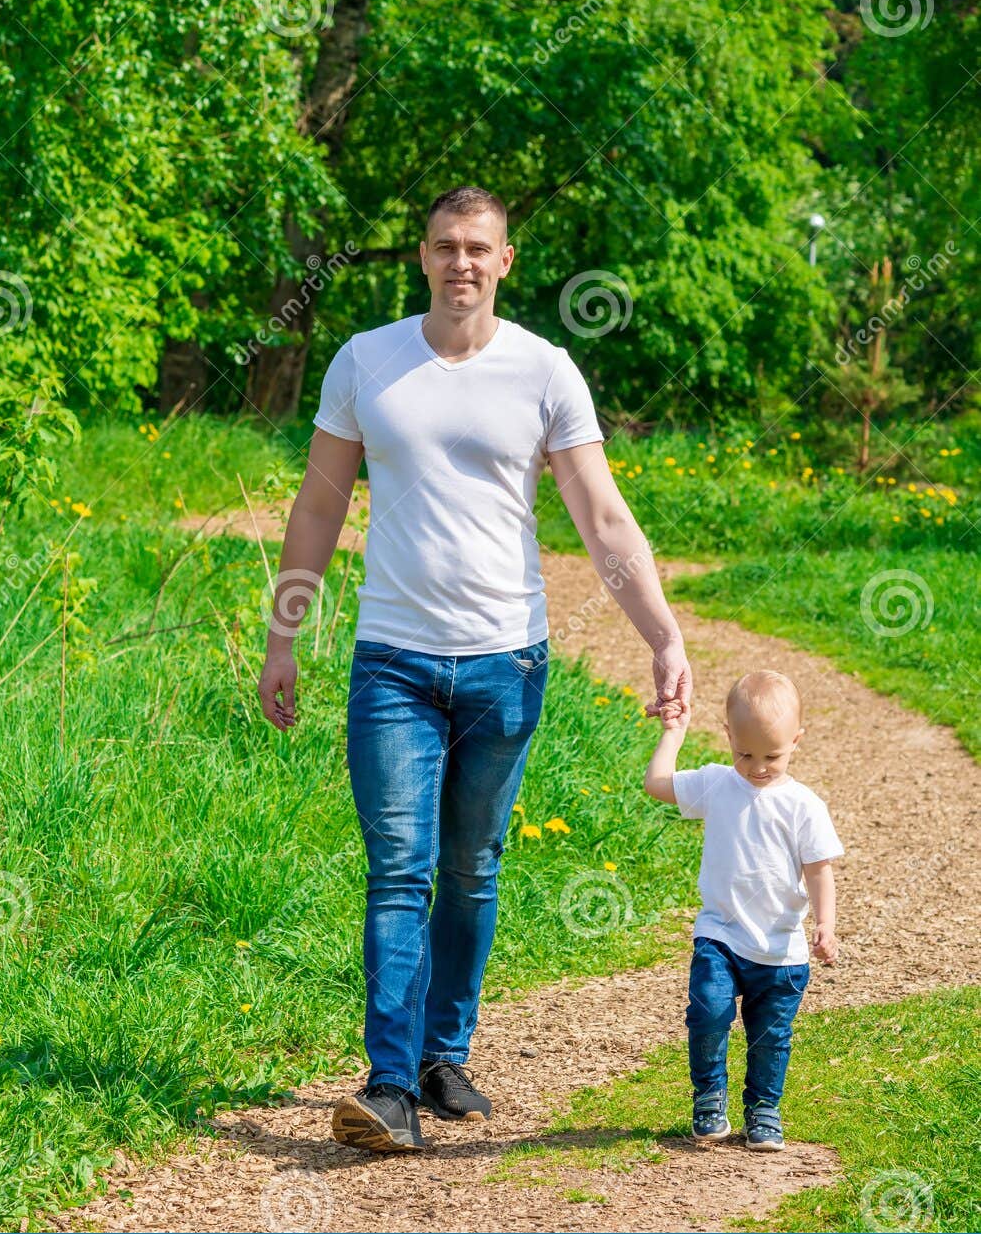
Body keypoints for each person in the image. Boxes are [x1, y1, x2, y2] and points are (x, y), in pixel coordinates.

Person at [259, 184, 693, 1154]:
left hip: (507, 663)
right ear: (421, 256)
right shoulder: (366, 362)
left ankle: (442, 1053)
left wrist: (661, 635)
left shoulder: (545, 371)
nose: (461, 261)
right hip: (392, 666)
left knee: (472, 868)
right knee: (400, 869)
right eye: (445, 245)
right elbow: (318, 505)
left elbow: (603, 518)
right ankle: (387, 1084)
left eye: (479, 248)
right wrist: (283, 635)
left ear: (505, 262)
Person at [643, 668, 843, 1152]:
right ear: (728, 736)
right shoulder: (717, 784)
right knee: (708, 1012)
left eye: (772, 755)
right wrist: (674, 732)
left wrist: (825, 925)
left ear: (796, 741)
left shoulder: (803, 805)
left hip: (781, 947)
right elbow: (658, 783)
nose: (756, 767)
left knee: (770, 1037)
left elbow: (819, 870)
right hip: (721, 935)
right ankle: (710, 1095)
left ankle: (764, 1109)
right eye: (744, 754)